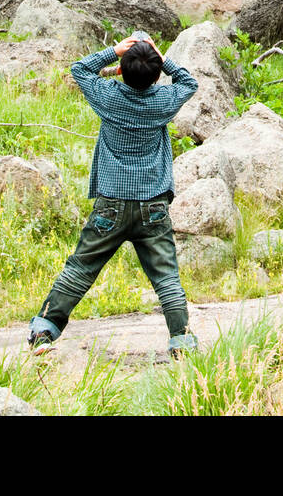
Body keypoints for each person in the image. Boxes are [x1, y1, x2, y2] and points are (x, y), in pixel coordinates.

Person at [28, 33, 200, 358]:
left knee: (81, 268)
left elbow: (80, 69)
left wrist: (114, 50)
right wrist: (162, 58)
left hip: (111, 203)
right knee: (166, 276)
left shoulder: (108, 96)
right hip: (153, 205)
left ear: (120, 70)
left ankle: (44, 330)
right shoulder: (162, 101)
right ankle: (181, 341)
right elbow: (189, 83)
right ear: (156, 74)